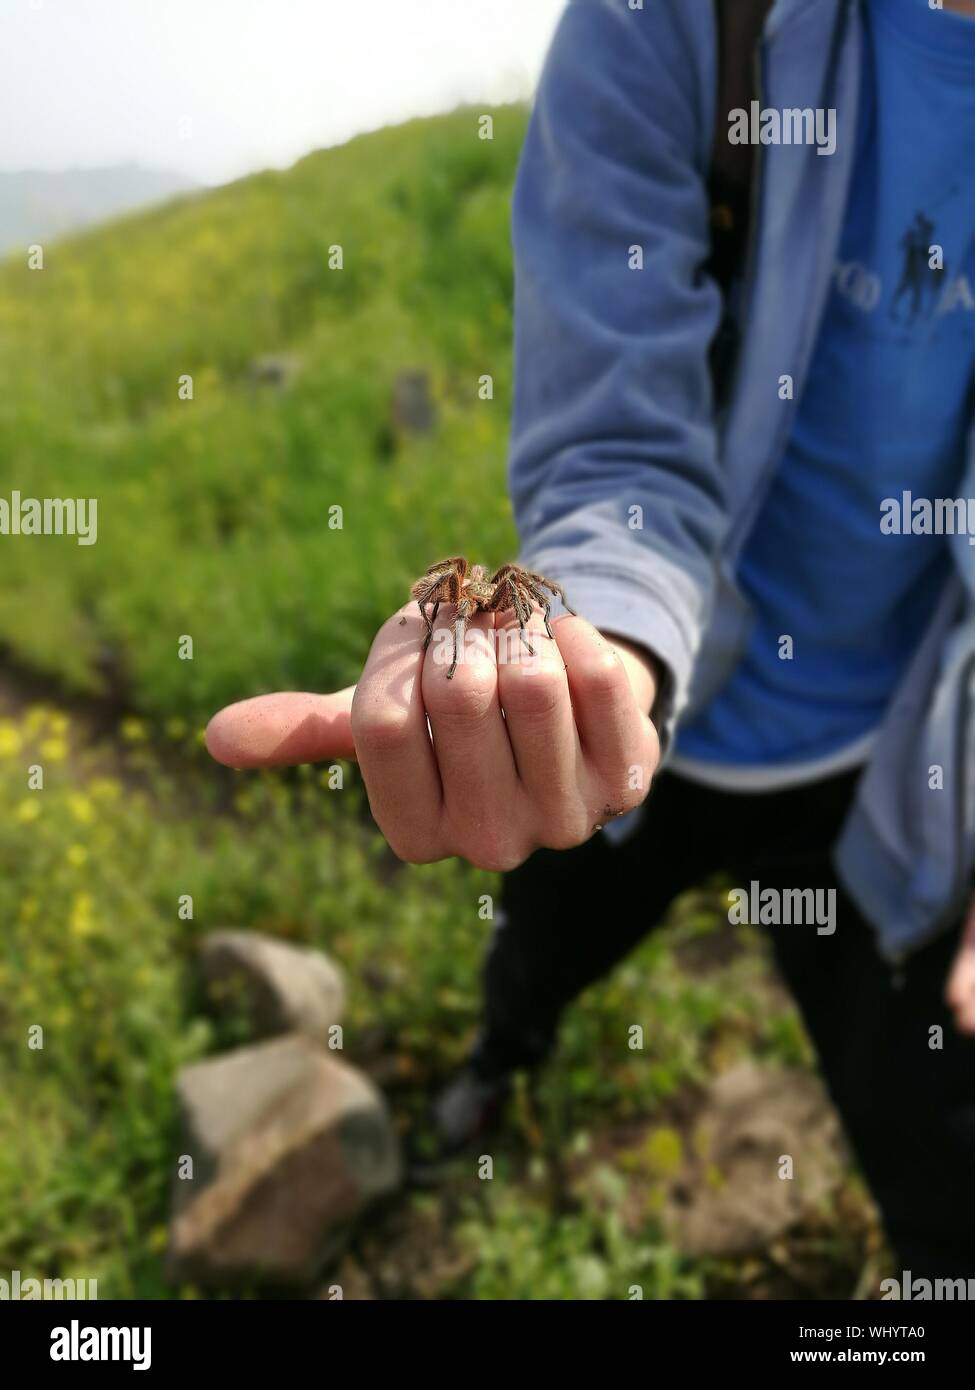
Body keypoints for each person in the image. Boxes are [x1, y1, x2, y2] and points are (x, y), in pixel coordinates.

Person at [207, 0, 975, 1280]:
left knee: (948, 1178)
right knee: (539, 941)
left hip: (897, 758)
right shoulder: (670, 23)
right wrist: (599, 647)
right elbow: (615, 440)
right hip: (631, 733)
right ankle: (499, 1058)